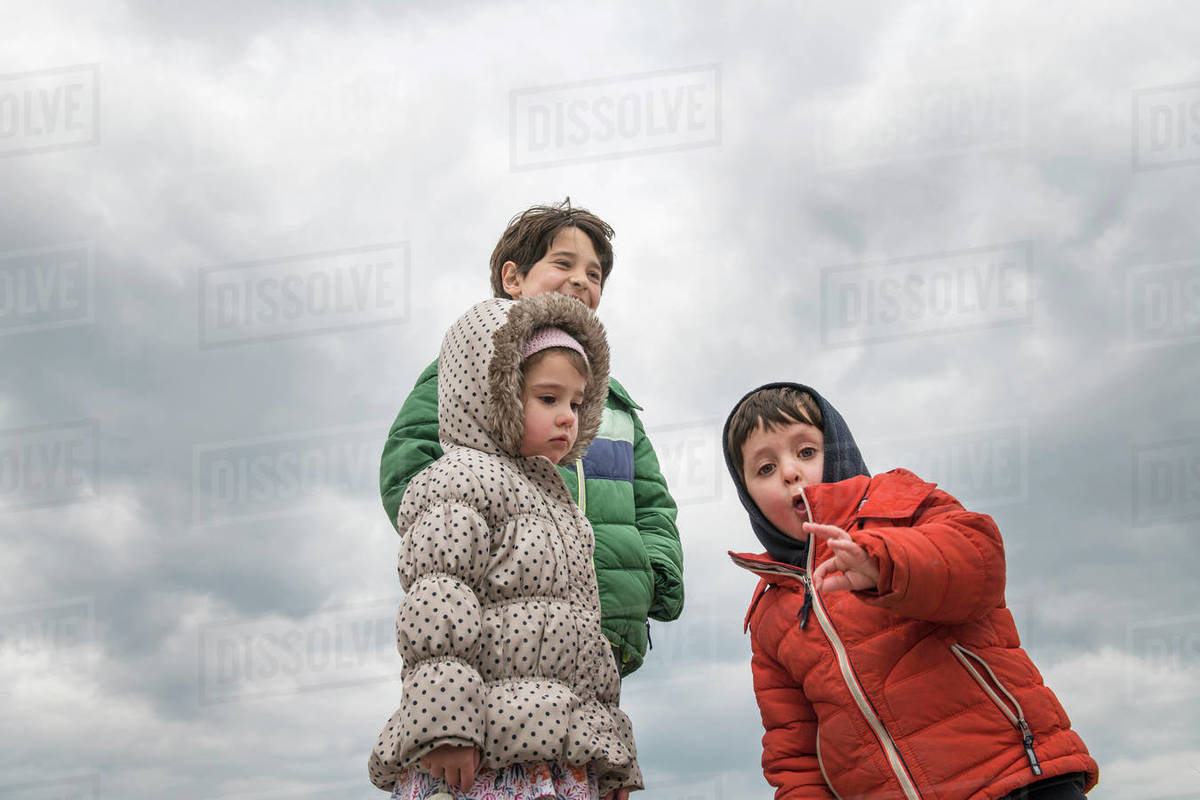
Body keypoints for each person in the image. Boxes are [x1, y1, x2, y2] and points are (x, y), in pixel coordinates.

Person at [723, 383, 1099, 800]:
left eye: (806, 452)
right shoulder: (769, 610)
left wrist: (884, 563)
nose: (790, 472)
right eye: (765, 468)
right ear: (748, 497)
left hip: (1015, 774)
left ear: (840, 450)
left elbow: (979, 563)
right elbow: (795, 752)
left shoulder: (898, 502)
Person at [379, 199, 683, 677]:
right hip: (504, 621)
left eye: (596, 274)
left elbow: (653, 503)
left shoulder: (616, 405)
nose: (582, 279)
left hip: (601, 630)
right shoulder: (464, 372)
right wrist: (475, 546)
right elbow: (409, 466)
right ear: (513, 278)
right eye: (563, 263)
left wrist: (653, 579)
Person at [369, 293, 641, 800]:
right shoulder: (461, 480)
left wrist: (609, 756)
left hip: (556, 761)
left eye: (577, 403)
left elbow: (589, 649)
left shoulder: (566, 514)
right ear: (490, 393)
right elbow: (438, 601)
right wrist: (445, 724)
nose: (567, 417)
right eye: (548, 398)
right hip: (480, 758)